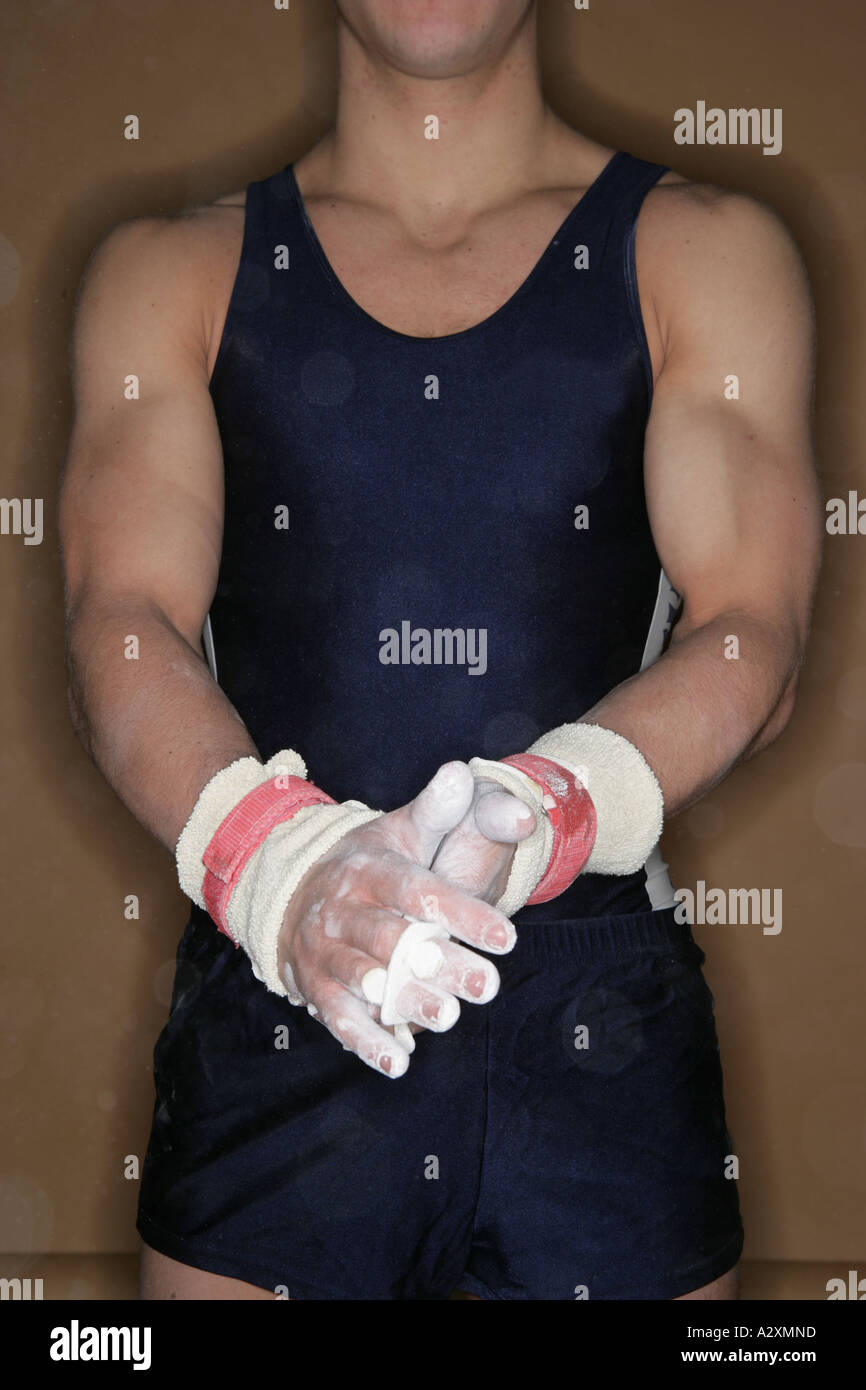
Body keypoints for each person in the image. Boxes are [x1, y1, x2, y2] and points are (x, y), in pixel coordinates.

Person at [59, 0, 821, 1301]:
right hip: (270, 995)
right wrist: (289, 874)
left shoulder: (705, 248)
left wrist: (534, 812)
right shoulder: (165, 268)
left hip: (597, 1041)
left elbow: (753, 625)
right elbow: (120, 616)